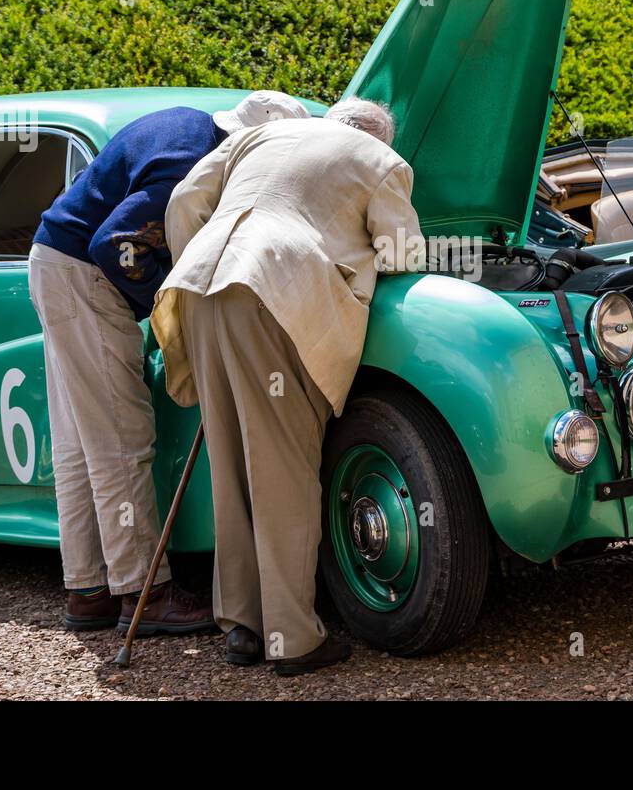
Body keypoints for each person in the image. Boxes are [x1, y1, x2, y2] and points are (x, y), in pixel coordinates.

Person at [151, 99, 423, 675]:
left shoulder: (264, 138)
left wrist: (201, 262)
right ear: (381, 135)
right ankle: (294, 639)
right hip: (275, 293)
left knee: (230, 467)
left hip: (200, 286)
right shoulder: (382, 160)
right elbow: (403, 256)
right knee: (284, 471)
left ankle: (244, 626)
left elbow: (182, 204)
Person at [28, 90, 310, 633]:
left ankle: (88, 591)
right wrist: (171, 306)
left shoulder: (191, 130)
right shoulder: (188, 164)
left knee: (78, 441)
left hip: (56, 262)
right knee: (119, 440)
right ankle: (144, 594)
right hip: (84, 276)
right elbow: (118, 245)